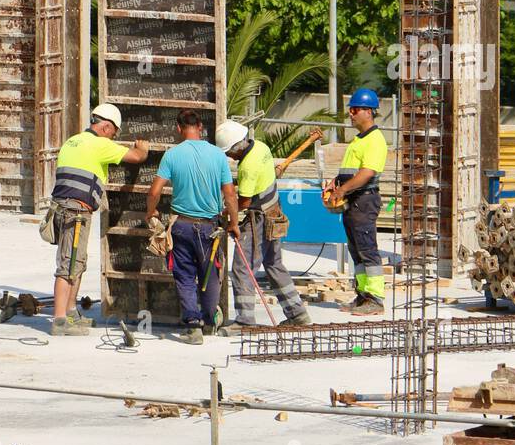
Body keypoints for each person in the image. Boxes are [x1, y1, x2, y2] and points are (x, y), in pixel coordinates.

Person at [46, 104, 148, 336]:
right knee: (68, 264)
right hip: (76, 213)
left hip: (63, 209)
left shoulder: (73, 141)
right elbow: (136, 157)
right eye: (114, 133)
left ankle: (70, 312)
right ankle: (59, 321)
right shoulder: (100, 144)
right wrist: (142, 148)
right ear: (106, 127)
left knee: (77, 262)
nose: (113, 138)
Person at [144, 109, 240, 346]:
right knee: (211, 274)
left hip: (182, 226)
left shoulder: (172, 155)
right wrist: (234, 223)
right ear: (200, 127)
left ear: (178, 128)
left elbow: (154, 192)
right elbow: (230, 194)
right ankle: (209, 320)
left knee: (185, 275)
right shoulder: (218, 155)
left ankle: (193, 325)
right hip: (210, 228)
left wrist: (151, 212)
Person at [215, 120, 312, 328]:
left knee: (242, 268)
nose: (229, 156)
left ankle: (245, 321)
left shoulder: (247, 166)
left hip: (258, 219)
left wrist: (227, 213)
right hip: (274, 212)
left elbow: (244, 202)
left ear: (237, 146)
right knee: (274, 264)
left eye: (229, 152)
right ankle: (298, 314)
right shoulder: (261, 147)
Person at [322, 88, 388, 317]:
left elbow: (366, 173)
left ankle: (376, 299)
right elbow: (350, 170)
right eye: (351, 110)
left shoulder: (375, 140)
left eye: (355, 110)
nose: (350, 114)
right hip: (355, 201)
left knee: (367, 249)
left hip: (364, 200)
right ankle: (363, 295)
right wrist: (335, 182)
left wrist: (342, 190)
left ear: (369, 112)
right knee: (356, 250)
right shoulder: (359, 140)